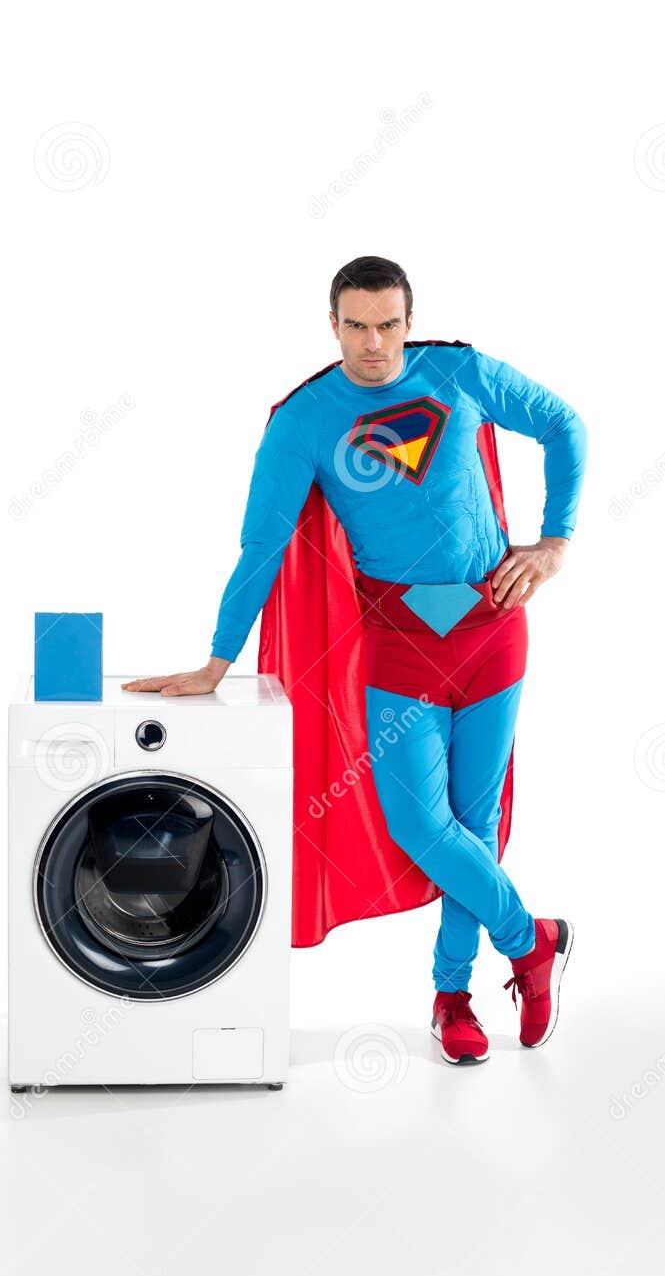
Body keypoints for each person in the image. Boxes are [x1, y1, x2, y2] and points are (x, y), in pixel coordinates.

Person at [123, 256, 587, 1065]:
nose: (374, 344)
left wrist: (553, 543)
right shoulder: (305, 419)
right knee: (421, 825)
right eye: (356, 325)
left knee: (475, 828)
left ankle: (452, 996)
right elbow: (263, 545)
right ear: (331, 324)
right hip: (399, 648)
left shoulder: (460, 371)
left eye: (388, 324)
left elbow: (565, 425)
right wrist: (215, 661)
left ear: (410, 320)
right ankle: (533, 939)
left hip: (493, 630)